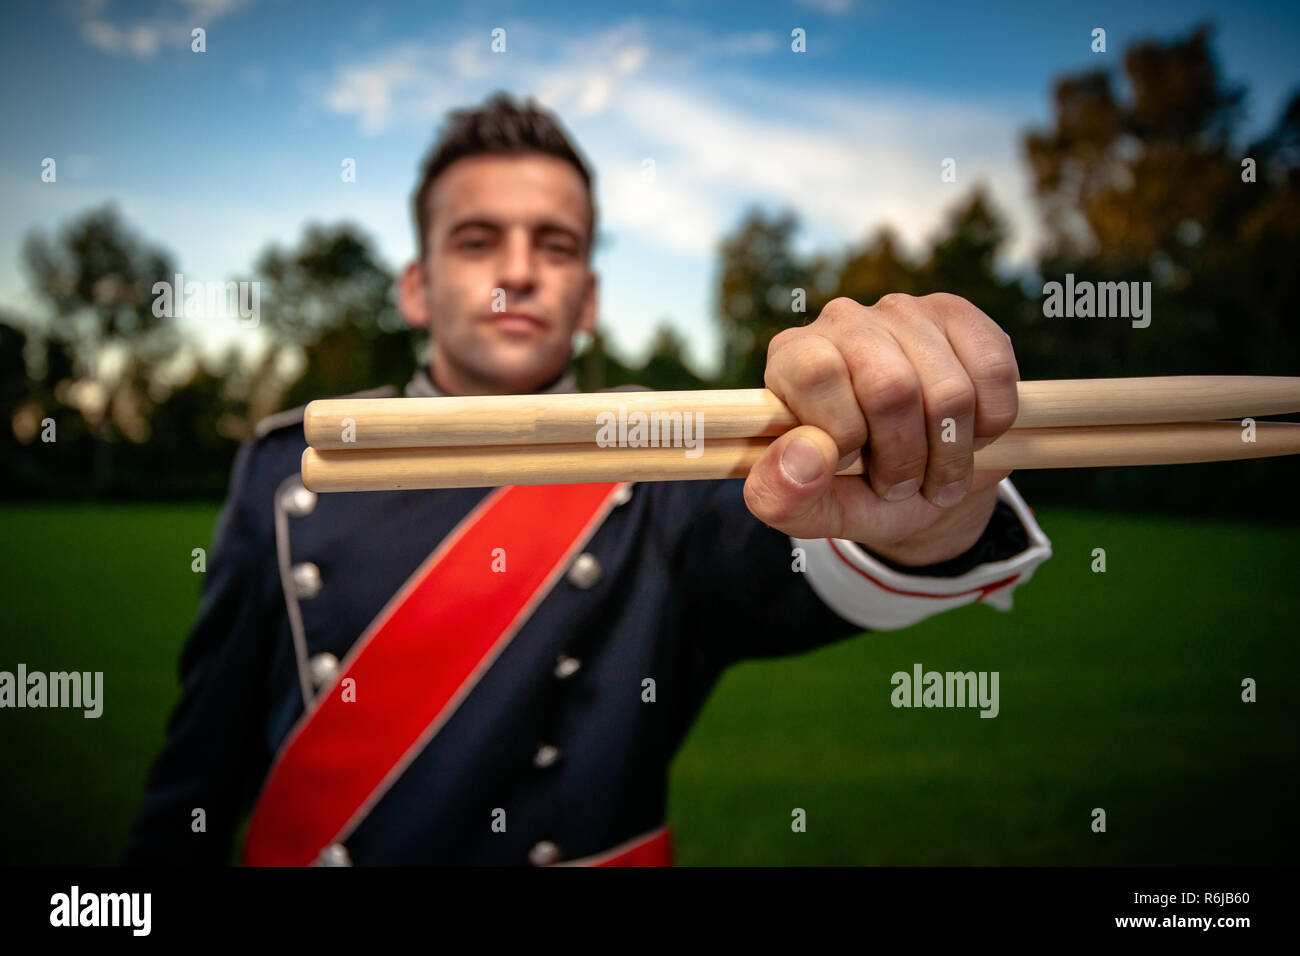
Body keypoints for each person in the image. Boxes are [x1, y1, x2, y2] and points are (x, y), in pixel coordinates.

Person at [125, 91, 1052, 867]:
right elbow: (192, 789)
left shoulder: (674, 464)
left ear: (592, 300)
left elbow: (820, 556)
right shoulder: (287, 468)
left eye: (557, 245)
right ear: (416, 286)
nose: (520, 271)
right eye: (479, 240)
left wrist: (930, 501)